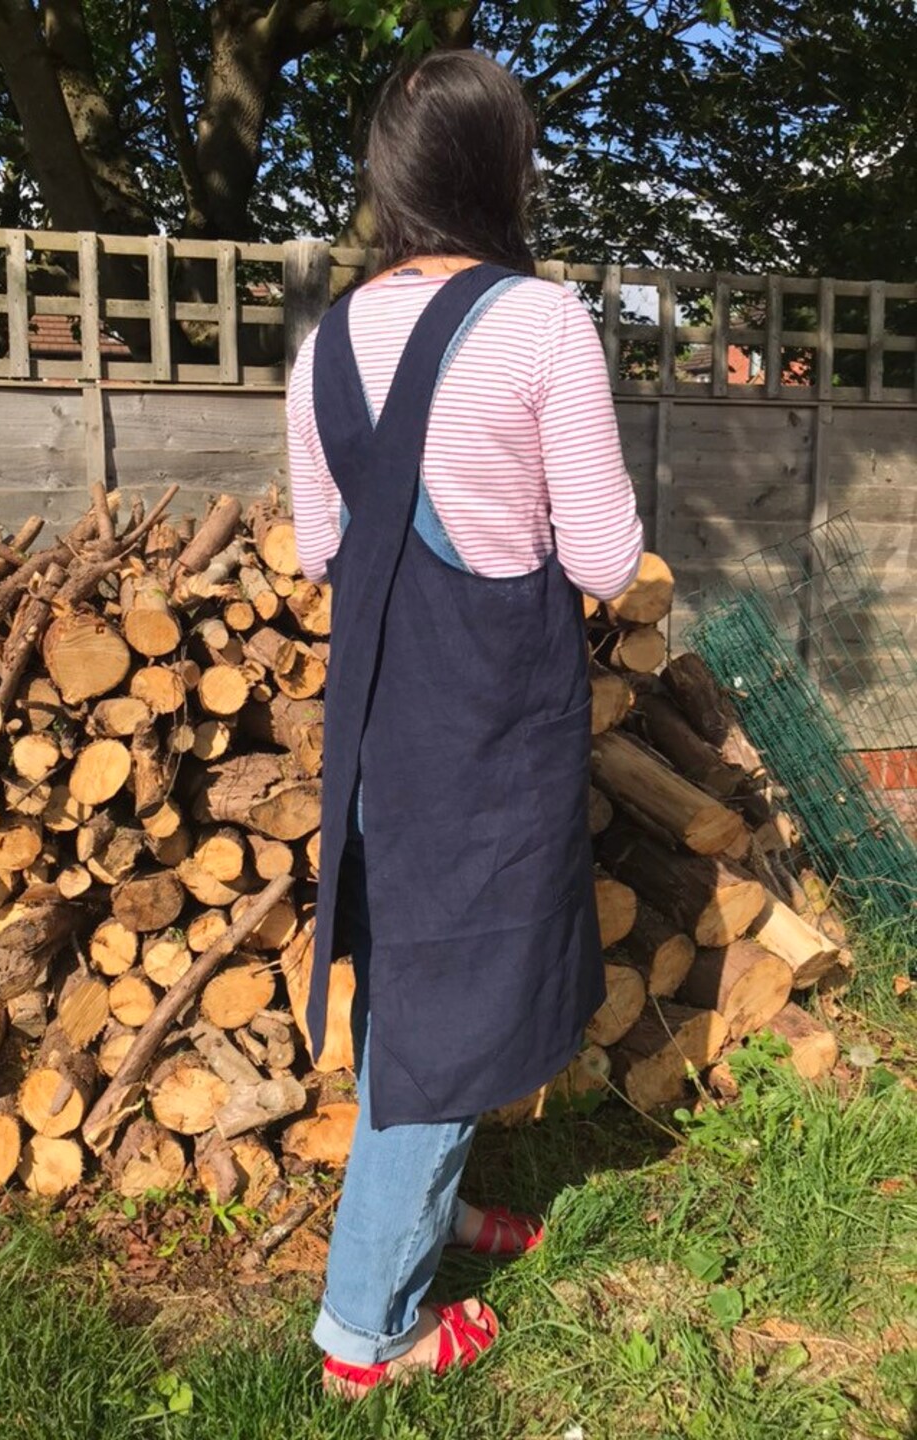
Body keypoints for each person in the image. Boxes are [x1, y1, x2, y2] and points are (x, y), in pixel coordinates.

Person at [285, 47, 644, 1397]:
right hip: (488, 719)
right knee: (452, 1001)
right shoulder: (543, 324)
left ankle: (423, 1211)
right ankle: (366, 1333)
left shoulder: (322, 339)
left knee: (410, 974)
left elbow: (323, 545)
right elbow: (605, 557)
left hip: (382, 713)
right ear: (502, 171)